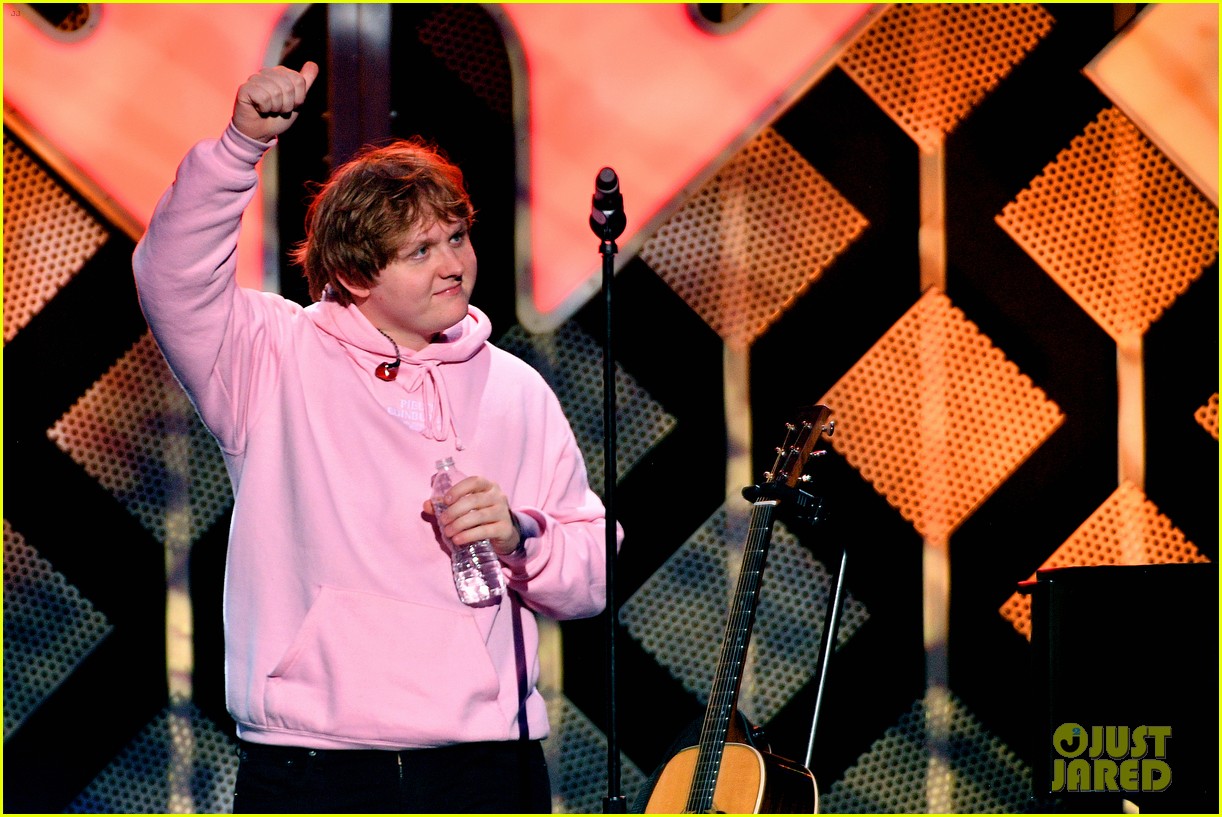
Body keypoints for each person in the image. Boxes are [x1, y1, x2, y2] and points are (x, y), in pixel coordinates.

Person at [133, 60, 619, 813]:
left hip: (484, 766)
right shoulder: (272, 357)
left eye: (456, 236)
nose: (454, 264)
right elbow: (170, 276)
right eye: (421, 251)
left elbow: (594, 572)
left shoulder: (518, 389)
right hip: (315, 765)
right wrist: (237, 149)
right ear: (357, 274)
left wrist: (524, 534)